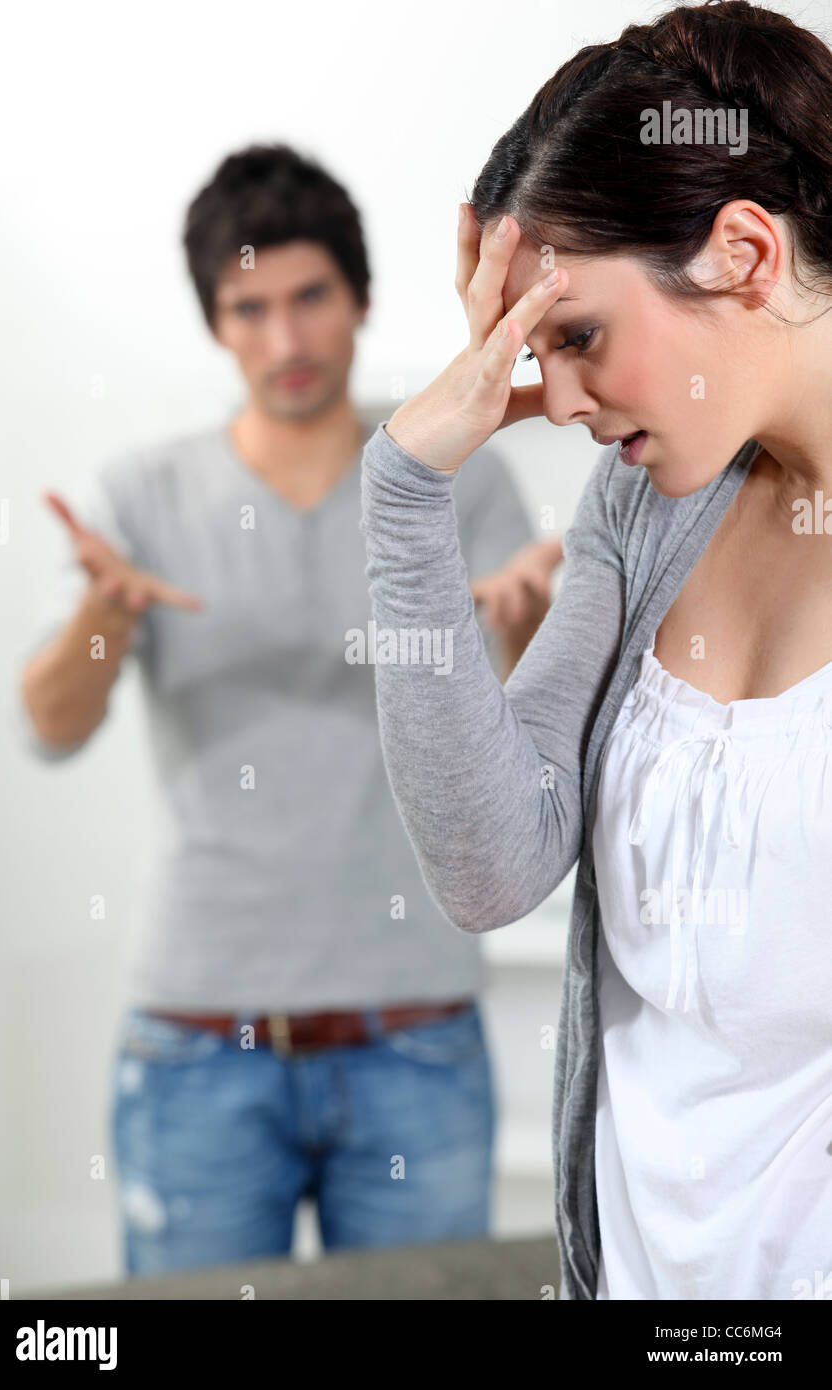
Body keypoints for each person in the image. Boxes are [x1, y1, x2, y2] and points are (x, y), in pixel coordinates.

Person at [18, 143, 564, 1276]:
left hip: (413, 1035)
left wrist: (518, 620)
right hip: (197, 1044)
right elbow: (49, 727)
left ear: (359, 296)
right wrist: (104, 615)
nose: (285, 339)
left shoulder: (453, 473)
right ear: (215, 323)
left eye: (309, 297)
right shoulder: (145, 492)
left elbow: (533, 737)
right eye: (247, 307)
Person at [357, 0, 832, 1300]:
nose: (550, 402)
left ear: (741, 251)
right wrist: (404, 487)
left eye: (573, 336)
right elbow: (490, 863)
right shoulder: (646, 507)